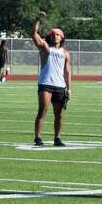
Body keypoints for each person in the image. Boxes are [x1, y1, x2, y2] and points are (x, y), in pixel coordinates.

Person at [32, 11, 71, 147]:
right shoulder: (46, 48)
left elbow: (67, 71)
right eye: (53, 34)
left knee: (59, 114)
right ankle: (37, 138)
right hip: (46, 84)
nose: (55, 36)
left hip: (60, 86)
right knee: (42, 110)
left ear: (62, 37)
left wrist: (69, 88)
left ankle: (57, 138)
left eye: (58, 34)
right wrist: (37, 20)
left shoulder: (66, 53)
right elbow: (34, 35)